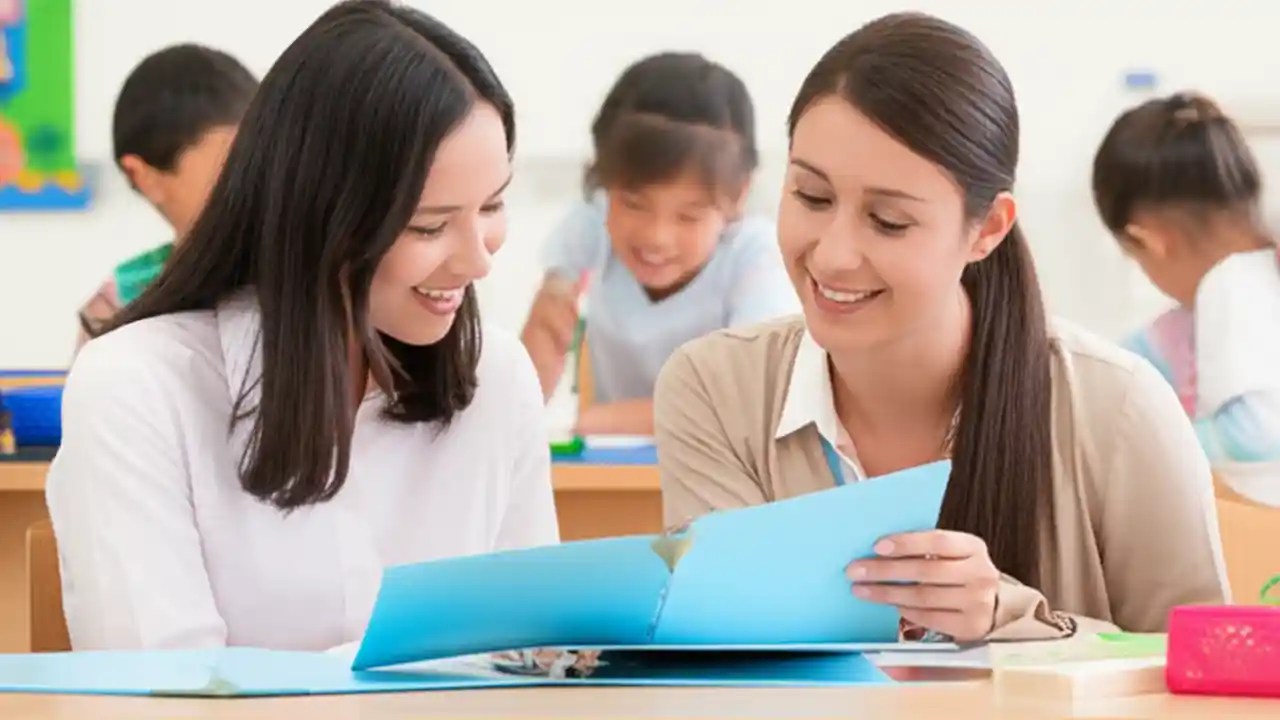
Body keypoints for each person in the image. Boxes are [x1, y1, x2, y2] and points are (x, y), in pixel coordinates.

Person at [653, 13, 1228, 642]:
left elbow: (1197, 678)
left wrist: (1007, 617)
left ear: (987, 229)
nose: (835, 254)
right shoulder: (712, 389)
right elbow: (725, 647)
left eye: (890, 221)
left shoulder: (1117, 409)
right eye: (812, 198)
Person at [46, 0, 557, 651]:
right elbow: (163, 691)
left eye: (492, 205)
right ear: (319, 213)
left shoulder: (496, 378)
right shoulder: (137, 389)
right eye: (428, 225)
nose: (479, 259)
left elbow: (533, 655)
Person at [520, 52, 798, 436]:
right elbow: (542, 347)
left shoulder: (756, 257)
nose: (656, 237)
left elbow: (745, 401)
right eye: (634, 204)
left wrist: (577, 423)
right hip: (611, 468)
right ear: (604, 179)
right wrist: (522, 420)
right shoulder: (590, 223)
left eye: (688, 216)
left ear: (737, 196)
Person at [1093, 93, 1280, 487]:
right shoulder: (1255, 276)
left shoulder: (1229, 288)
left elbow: (1257, 434)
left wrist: (1149, 444)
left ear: (1147, 241)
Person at [76, 44, 259, 348]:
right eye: (227, 169)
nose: (252, 184)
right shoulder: (117, 307)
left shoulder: (305, 279)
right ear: (142, 176)